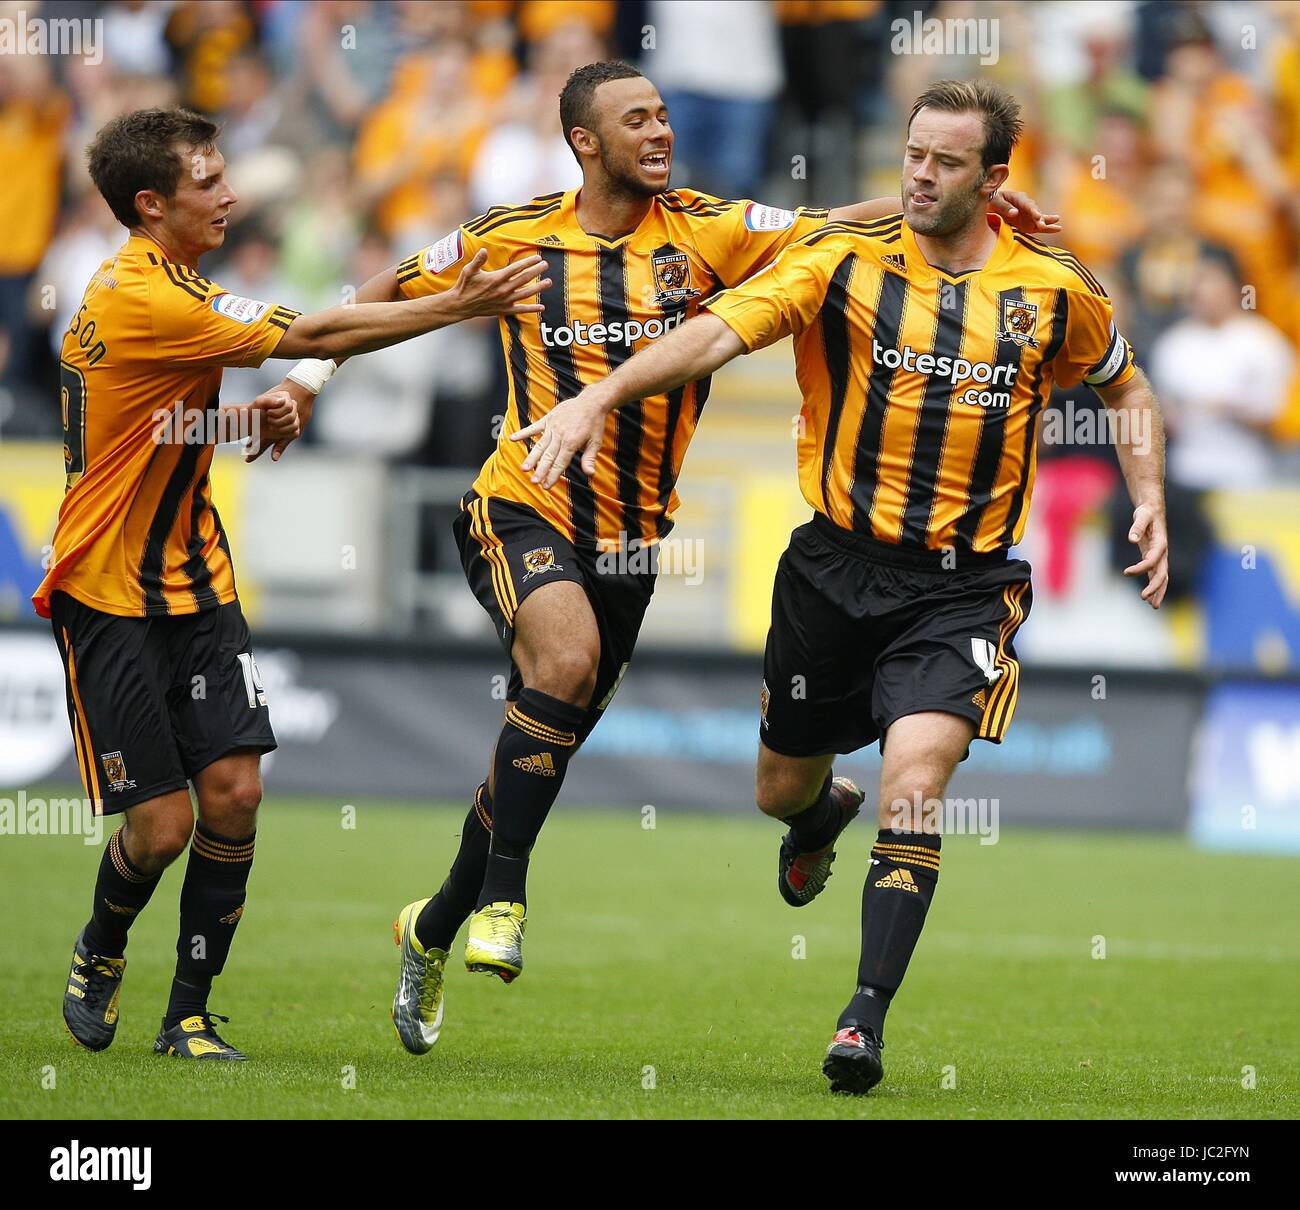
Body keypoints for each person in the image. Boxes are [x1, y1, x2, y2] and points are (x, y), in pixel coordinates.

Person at [272, 59, 1057, 1059]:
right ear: (584, 143)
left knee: (535, 756)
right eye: (634, 119)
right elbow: (379, 291)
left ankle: (431, 926)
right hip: (521, 504)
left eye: (662, 114)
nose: (658, 131)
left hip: (629, 544)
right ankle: (505, 902)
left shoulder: (707, 230)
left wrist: (956, 201)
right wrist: (304, 378)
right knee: (558, 666)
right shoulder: (510, 235)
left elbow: (825, 224)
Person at [517, 79, 1169, 1095]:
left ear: (993, 179)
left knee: (915, 785)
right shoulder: (841, 261)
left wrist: (1149, 497)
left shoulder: (1052, 288)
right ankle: (819, 818)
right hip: (831, 571)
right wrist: (599, 392)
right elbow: (717, 333)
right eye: (913, 153)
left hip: (963, 589)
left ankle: (861, 1017)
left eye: (946, 162)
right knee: (781, 787)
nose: (919, 174)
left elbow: (1123, 385)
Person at [38, 107, 547, 1061]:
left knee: (233, 797)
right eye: (209, 180)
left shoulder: (177, 289)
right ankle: (100, 949)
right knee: (160, 826)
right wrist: (458, 305)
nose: (231, 192)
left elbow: (145, 436)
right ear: (152, 204)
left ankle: (187, 1014)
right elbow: (312, 327)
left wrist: (245, 426)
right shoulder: (142, 296)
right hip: (106, 593)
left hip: (196, 581)